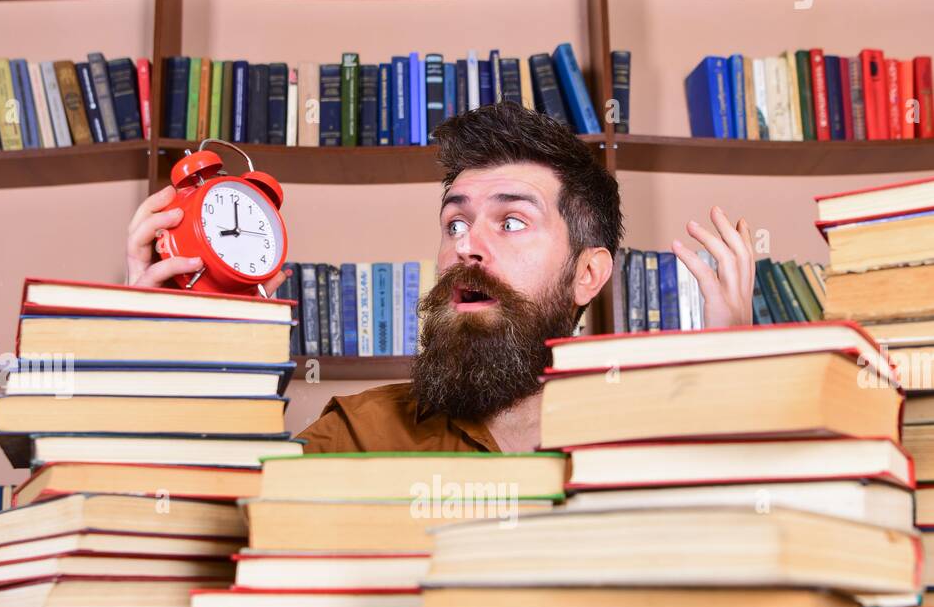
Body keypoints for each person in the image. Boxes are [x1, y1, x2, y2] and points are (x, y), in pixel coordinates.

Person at [125, 102, 755, 454]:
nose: (466, 246)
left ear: (588, 273)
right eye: (455, 223)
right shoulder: (359, 437)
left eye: (511, 222)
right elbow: (208, 528)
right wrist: (154, 347)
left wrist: (742, 381)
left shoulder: (653, 436)